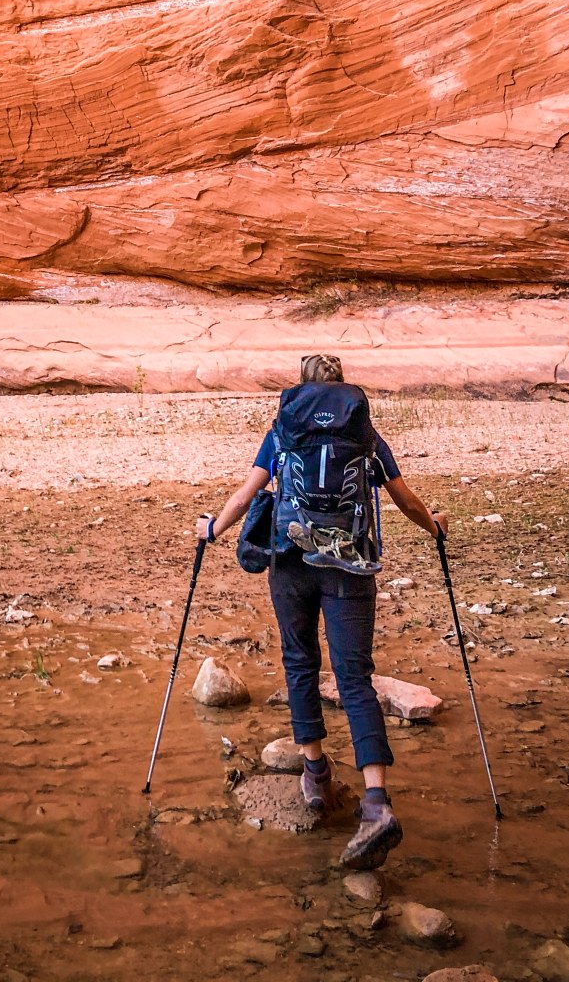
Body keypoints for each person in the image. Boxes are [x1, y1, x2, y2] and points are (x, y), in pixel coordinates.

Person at [194, 354, 448, 870]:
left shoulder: (283, 430)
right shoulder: (364, 434)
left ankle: (315, 776)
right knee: (355, 679)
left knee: (300, 664)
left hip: (291, 565)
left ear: (302, 390)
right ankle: (376, 802)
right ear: (342, 390)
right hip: (351, 567)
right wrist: (435, 527)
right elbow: (403, 498)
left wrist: (211, 529)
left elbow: (247, 495)